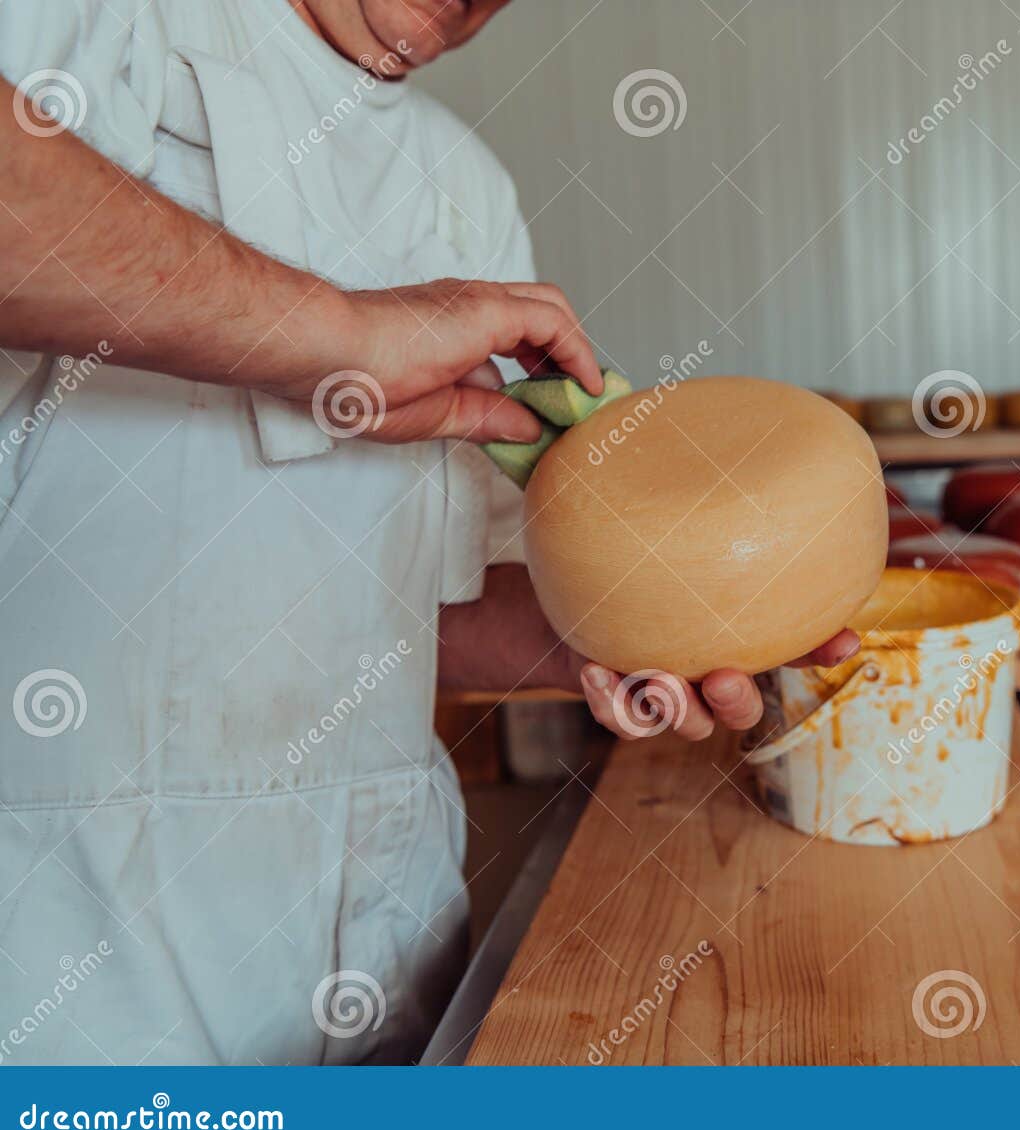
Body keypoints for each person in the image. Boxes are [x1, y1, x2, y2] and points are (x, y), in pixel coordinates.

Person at [0, 0, 856, 1064]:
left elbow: (420, 611)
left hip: (387, 955)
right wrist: (337, 336)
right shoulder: (100, 21)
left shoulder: (462, 186)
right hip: (72, 978)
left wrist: (648, 620)